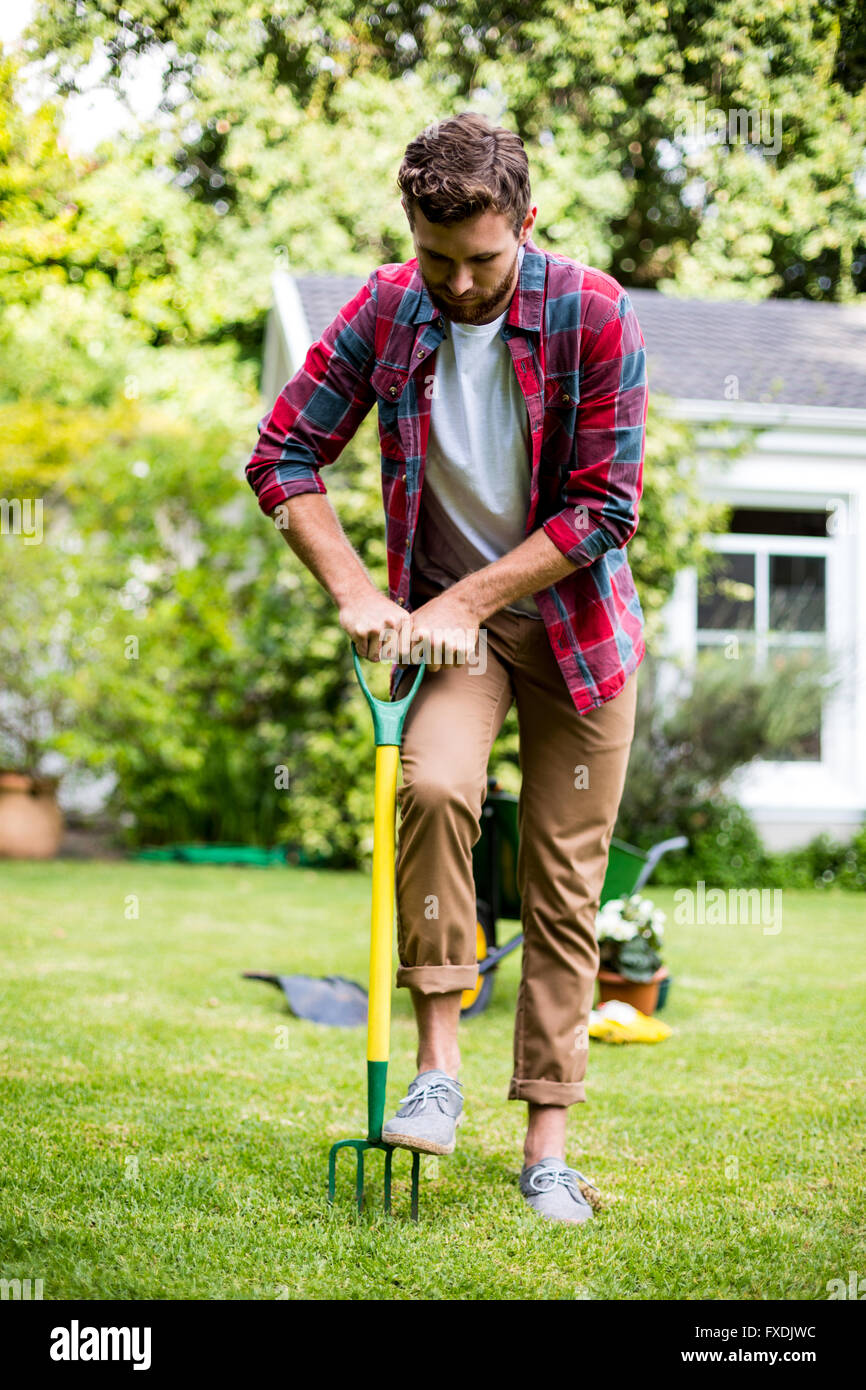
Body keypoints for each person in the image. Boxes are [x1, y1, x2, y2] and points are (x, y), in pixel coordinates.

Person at [245, 112, 648, 1225]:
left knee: (564, 882)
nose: (461, 284)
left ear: (526, 220)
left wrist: (463, 596)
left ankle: (546, 1150)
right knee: (430, 787)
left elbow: (605, 507)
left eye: (482, 258)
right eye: (437, 257)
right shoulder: (388, 308)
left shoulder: (592, 310)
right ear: (411, 233)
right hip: (444, 631)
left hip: (571, 632)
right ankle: (438, 1067)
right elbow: (281, 452)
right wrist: (358, 594)